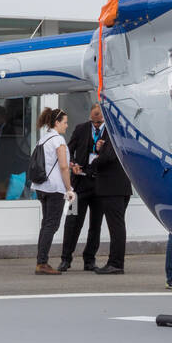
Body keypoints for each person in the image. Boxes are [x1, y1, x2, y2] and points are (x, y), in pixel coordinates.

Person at [59, 105, 104, 272]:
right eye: (94, 122)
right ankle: (66, 258)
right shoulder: (81, 129)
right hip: (79, 184)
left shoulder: (109, 132)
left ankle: (89, 259)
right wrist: (72, 164)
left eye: (99, 122)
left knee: (96, 223)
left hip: (100, 184)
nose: (96, 125)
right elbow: (68, 150)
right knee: (72, 221)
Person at [31, 107, 76, 275]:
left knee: (46, 224)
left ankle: (41, 261)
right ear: (57, 123)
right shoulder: (59, 140)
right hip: (55, 187)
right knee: (52, 224)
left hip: (41, 186)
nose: (66, 125)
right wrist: (69, 188)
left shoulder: (43, 139)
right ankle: (42, 263)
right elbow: (63, 166)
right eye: (64, 122)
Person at [89, 114, 132, 275]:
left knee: (116, 227)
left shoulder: (113, 129)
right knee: (118, 226)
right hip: (120, 186)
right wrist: (101, 148)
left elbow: (109, 156)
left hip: (113, 187)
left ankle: (115, 263)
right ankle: (116, 262)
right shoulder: (120, 129)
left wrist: (92, 163)